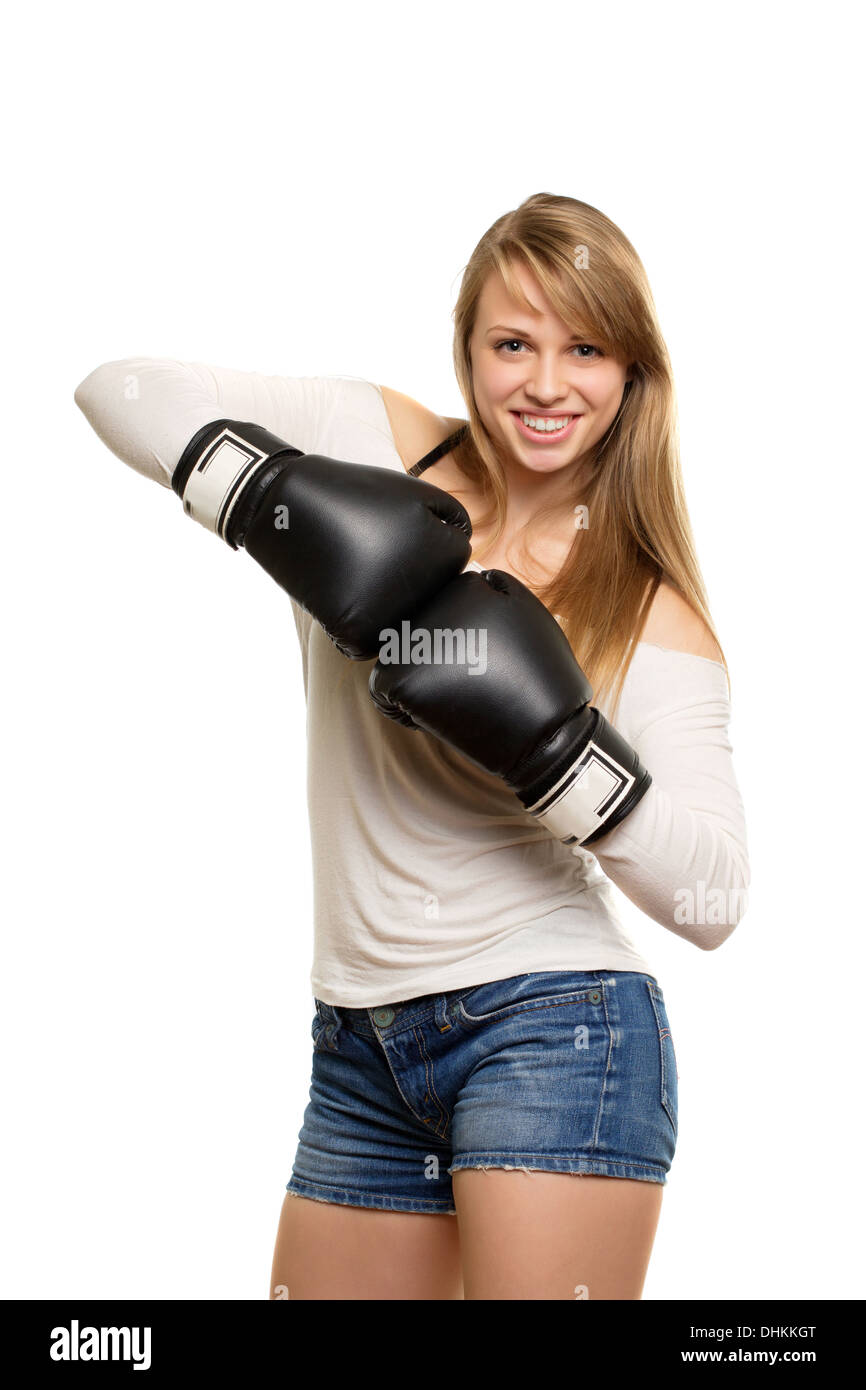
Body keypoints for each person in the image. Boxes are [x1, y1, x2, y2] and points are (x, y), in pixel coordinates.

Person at [74, 192, 750, 1301]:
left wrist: (554, 753)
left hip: (552, 1030)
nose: (542, 382)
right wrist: (268, 496)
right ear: (466, 350)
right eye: (510, 343)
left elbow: (717, 897)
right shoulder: (376, 445)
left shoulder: (648, 608)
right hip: (357, 1039)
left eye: (584, 347)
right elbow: (118, 388)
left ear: (631, 371)